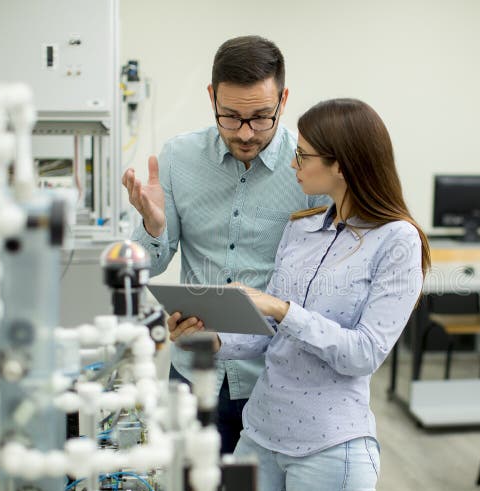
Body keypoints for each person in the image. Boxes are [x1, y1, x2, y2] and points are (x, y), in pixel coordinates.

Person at [172, 98, 431, 491]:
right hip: (257, 435)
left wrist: (282, 309)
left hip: (330, 447)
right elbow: (267, 332)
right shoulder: (301, 227)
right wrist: (208, 338)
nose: (293, 162)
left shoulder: (397, 241)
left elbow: (363, 354)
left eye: (304, 155)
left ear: (343, 166)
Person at [121, 35, 327, 454]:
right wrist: (153, 226)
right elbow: (152, 264)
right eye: (230, 117)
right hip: (195, 371)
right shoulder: (179, 158)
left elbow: (320, 283)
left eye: (261, 118)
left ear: (283, 100)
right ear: (212, 97)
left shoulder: (309, 170)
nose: (246, 133)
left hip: (274, 379)